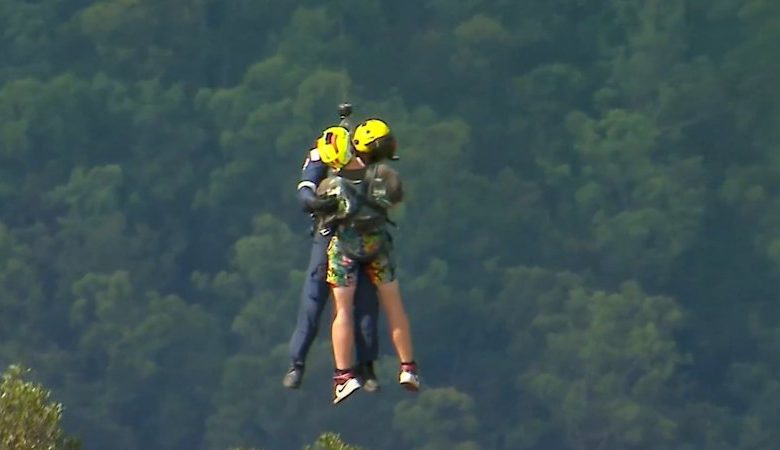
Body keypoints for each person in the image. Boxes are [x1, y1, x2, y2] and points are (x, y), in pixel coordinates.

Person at [314, 121, 420, 404]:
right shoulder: (387, 176)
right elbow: (393, 201)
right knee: (394, 306)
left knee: (343, 311)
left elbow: (321, 206)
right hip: (377, 245)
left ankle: (343, 377)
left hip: (345, 247)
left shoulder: (332, 183)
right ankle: (407, 367)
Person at [283, 120, 382, 392]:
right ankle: (297, 363)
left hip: (360, 235)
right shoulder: (319, 154)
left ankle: (366, 367)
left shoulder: (363, 153)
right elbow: (305, 188)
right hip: (328, 232)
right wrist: (315, 202)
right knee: (313, 300)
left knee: (365, 302)